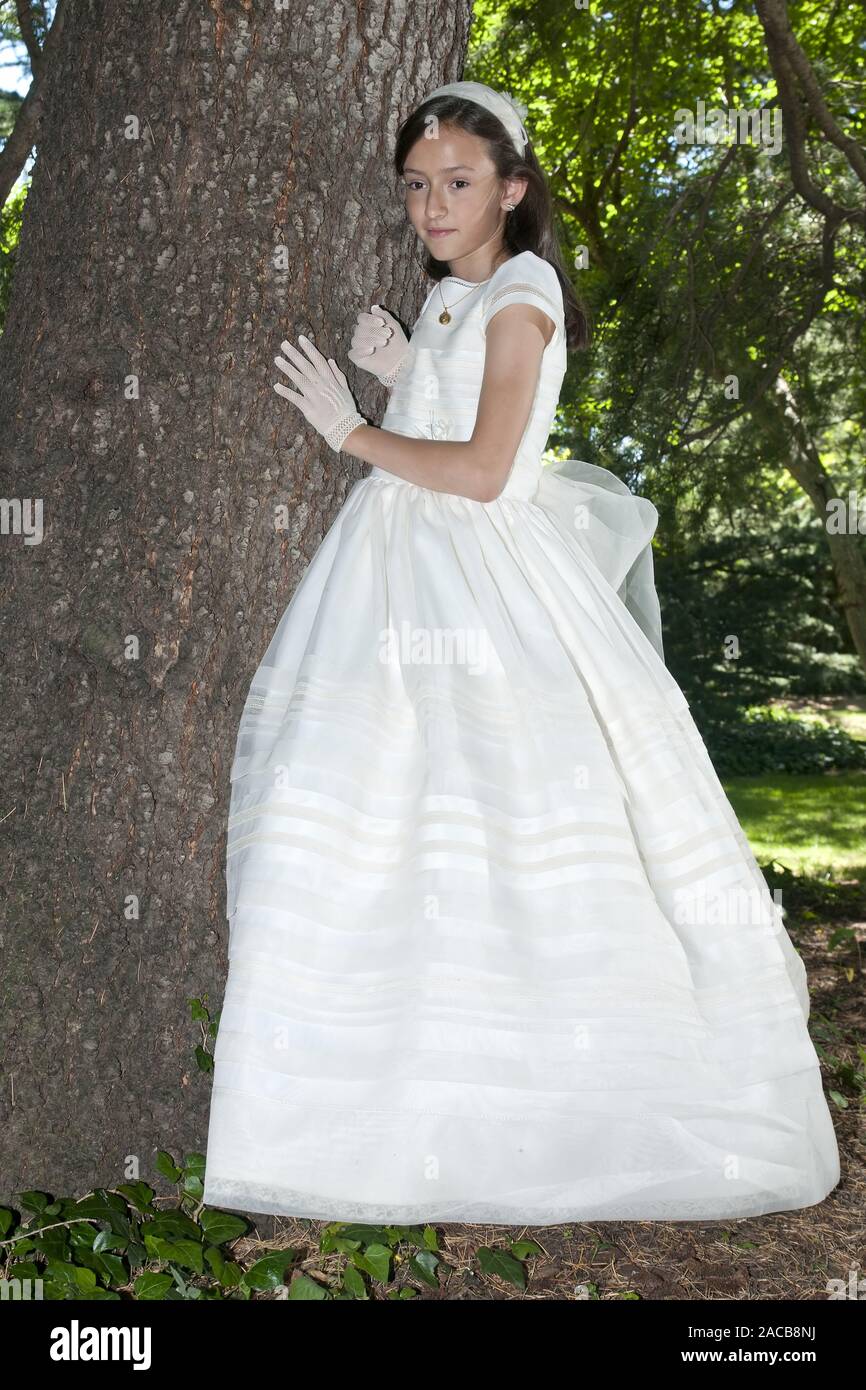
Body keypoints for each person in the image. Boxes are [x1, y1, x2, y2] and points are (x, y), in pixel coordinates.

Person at [201, 81, 840, 1224]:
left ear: (512, 188)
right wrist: (408, 371)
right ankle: (382, 1113)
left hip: (474, 577)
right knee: (373, 823)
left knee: (500, 824)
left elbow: (491, 469)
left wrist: (351, 428)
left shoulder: (523, 285)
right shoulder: (457, 292)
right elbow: (464, 416)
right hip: (400, 564)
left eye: (456, 182)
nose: (431, 205)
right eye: (414, 185)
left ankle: (556, 1112)